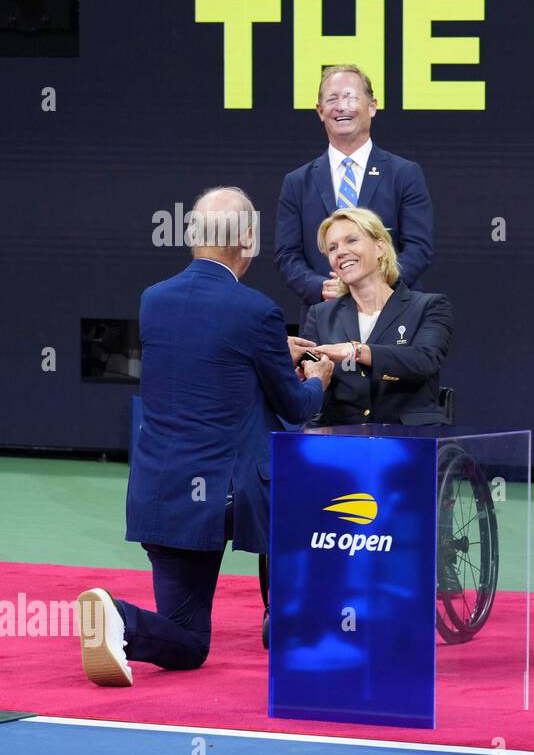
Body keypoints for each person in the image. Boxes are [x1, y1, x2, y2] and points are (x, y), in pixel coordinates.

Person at [77, 187, 333, 687]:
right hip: (220, 493)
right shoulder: (256, 311)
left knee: (188, 639)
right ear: (248, 240)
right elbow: (292, 405)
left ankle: (118, 620)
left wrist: (266, 345)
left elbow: (204, 350)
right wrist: (317, 378)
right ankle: (121, 618)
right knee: (191, 641)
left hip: (162, 491)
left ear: (192, 237)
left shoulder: (154, 300)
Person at [275, 64, 434, 318]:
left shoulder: (404, 173)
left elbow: (418, 248)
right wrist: (322, 288)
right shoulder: (297, 182)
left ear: (372, 106)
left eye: (350, 96)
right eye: (332, 99)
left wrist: (374, 286)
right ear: (320, 111)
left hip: (392, 314)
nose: (341, 106)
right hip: (325, 317)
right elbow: (287, 255)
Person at [298, 207, 453, 427]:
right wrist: (302, 369)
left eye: (351, 240)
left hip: (410, 438)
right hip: (342, 439)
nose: (340, 252)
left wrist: (356, 351)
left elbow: (423, 362)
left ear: (380, 247)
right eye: (332, 248)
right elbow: (314, 377)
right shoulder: (321, 315)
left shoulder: (428, 306)